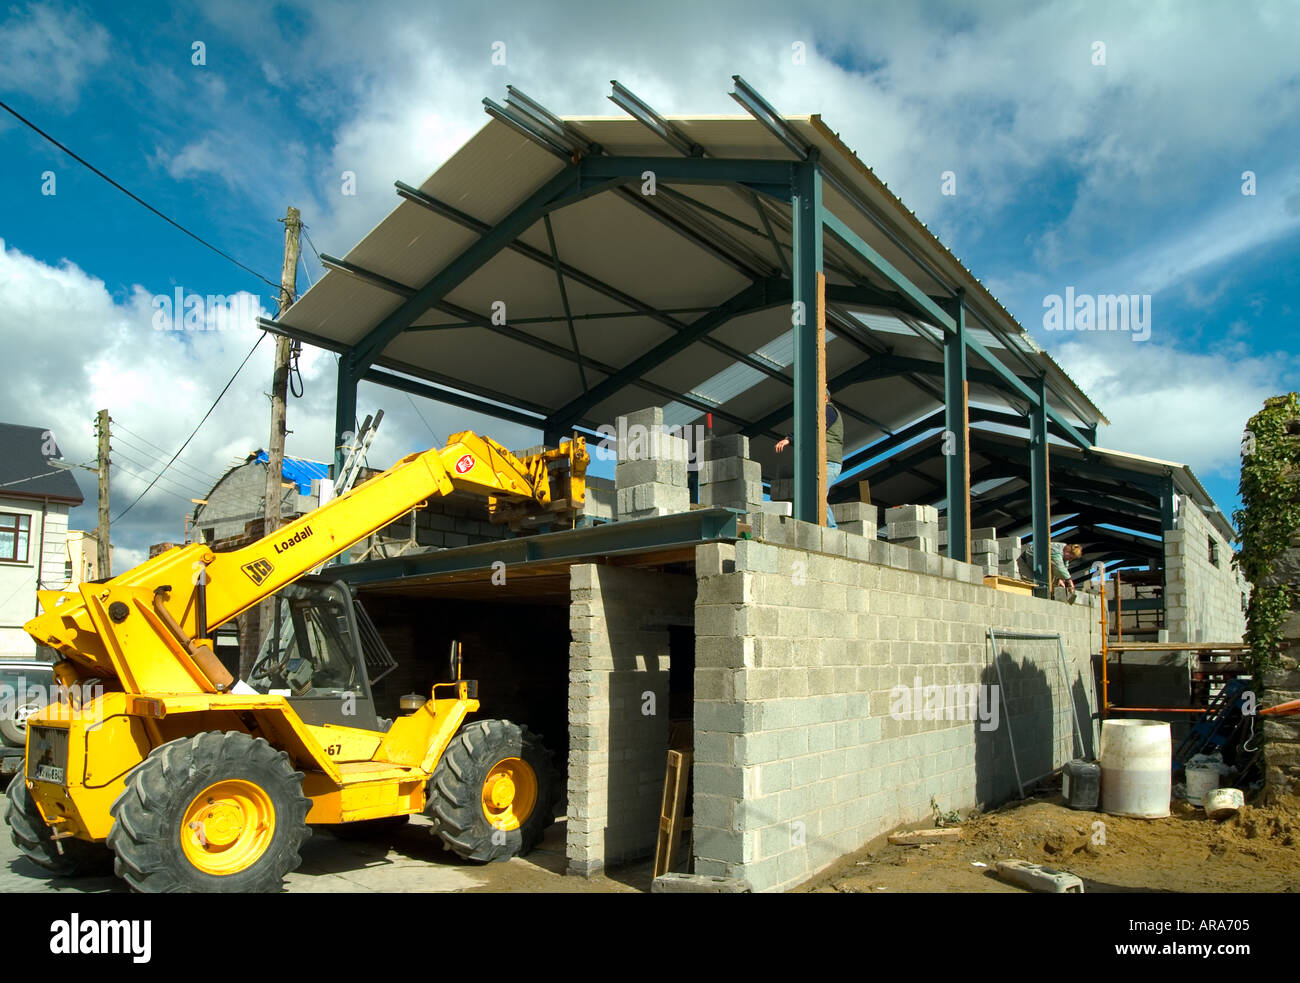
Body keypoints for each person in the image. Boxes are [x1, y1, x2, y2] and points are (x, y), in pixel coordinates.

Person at [774, 388, 843, 527]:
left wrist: (790, 439)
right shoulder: (822, 412)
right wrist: (790, 438)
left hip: (829, 462)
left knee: (818, 494)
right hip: (822, 462)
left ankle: (831, 529)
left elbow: (815, 427)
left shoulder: (829, 410)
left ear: (825, 398)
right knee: (813, 494)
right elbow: (809, 427)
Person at [1019, 541, 1084, 599]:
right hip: (1030, 556)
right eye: (1070, 557)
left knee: (1056, 573)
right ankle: (1045, 592)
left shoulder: (1064, 550)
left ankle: (1051, 592)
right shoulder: (1056, 550)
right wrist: (1070, 582)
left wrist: (1061, 579)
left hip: (1041, 561)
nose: (1070, 560)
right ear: (1068, 552)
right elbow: (1059, 567)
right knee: (1052, 570)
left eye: (1072, 559)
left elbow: (1064, 566)